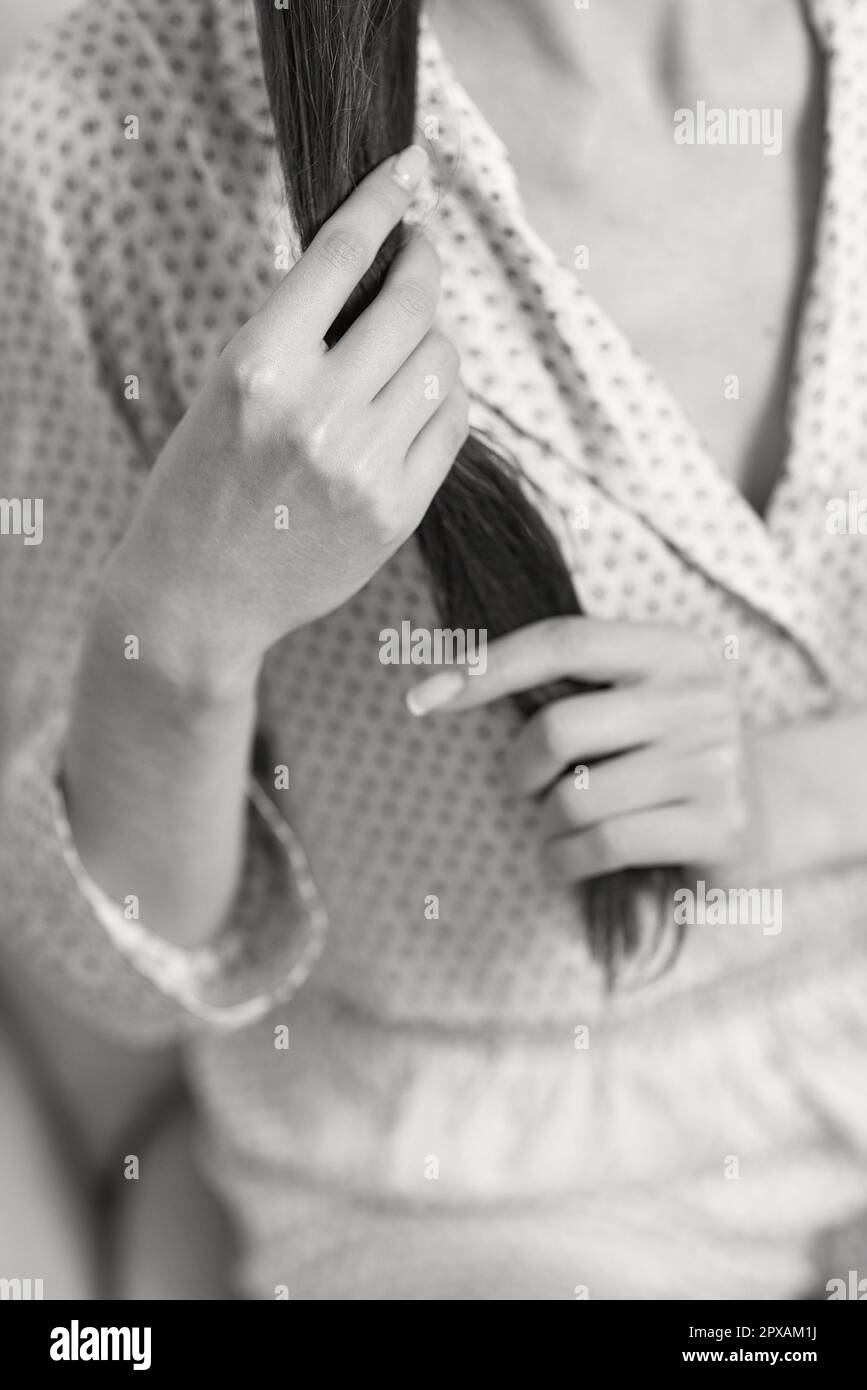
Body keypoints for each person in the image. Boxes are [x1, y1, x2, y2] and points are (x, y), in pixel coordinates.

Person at [1, 0, 867, 1300]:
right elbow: (115, 970)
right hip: (490, 1177)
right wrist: (183, 624)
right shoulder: (100, 124)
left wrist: (791, 789)